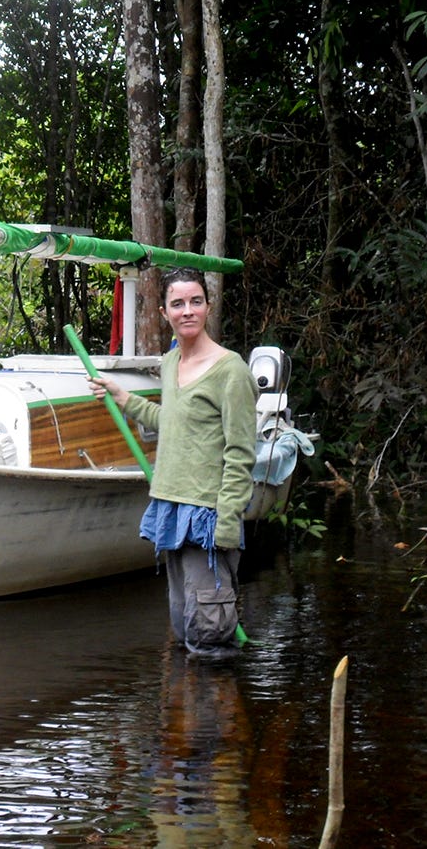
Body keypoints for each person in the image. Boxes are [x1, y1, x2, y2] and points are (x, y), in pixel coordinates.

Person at [90, 266, 258, 652]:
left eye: (195, 302)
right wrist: (123, 399)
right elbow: (171, 422)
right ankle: (187, 710)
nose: (187, 311)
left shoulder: (230, 371)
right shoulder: (170, 364)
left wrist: (228, 522)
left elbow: (240, 453)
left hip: (207, 517)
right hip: (171, 510)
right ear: (164, 312)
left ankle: (220, 708)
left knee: (211, 632)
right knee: (184, 627)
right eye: (177, 303)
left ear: (208, 307)